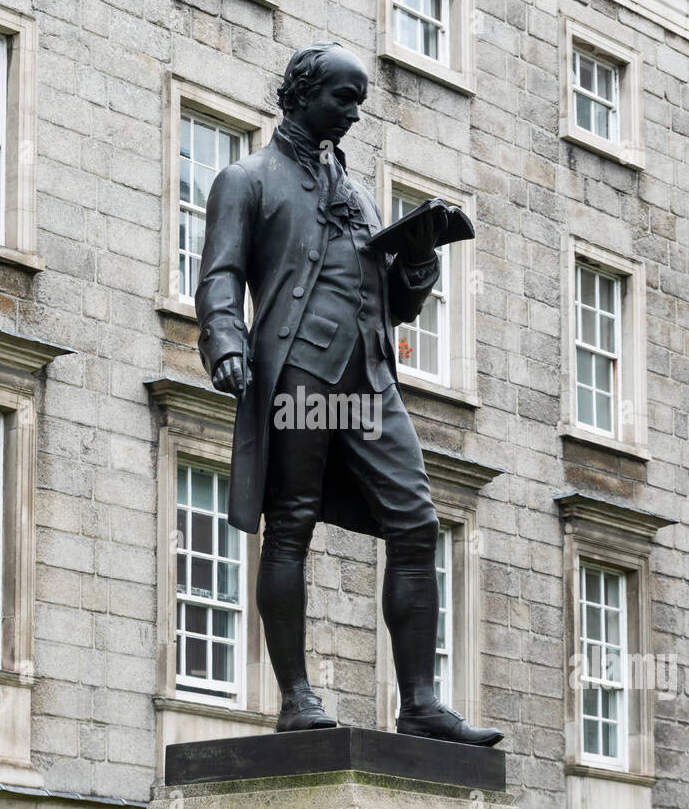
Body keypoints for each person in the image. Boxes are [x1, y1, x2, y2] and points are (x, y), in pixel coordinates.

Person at [195, 42, 502, 746]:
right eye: (344, 98)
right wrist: (226, 342)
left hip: (369, 378)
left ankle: (420, 701)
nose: (355, 114)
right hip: (299, 373)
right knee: (291, 526)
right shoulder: (247, 179)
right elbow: (219, 274)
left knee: (417, 522)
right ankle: (296, 696)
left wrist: (420, 256)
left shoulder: (360, 197)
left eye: (360, 101)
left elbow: (391, 301)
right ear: (300, 94)